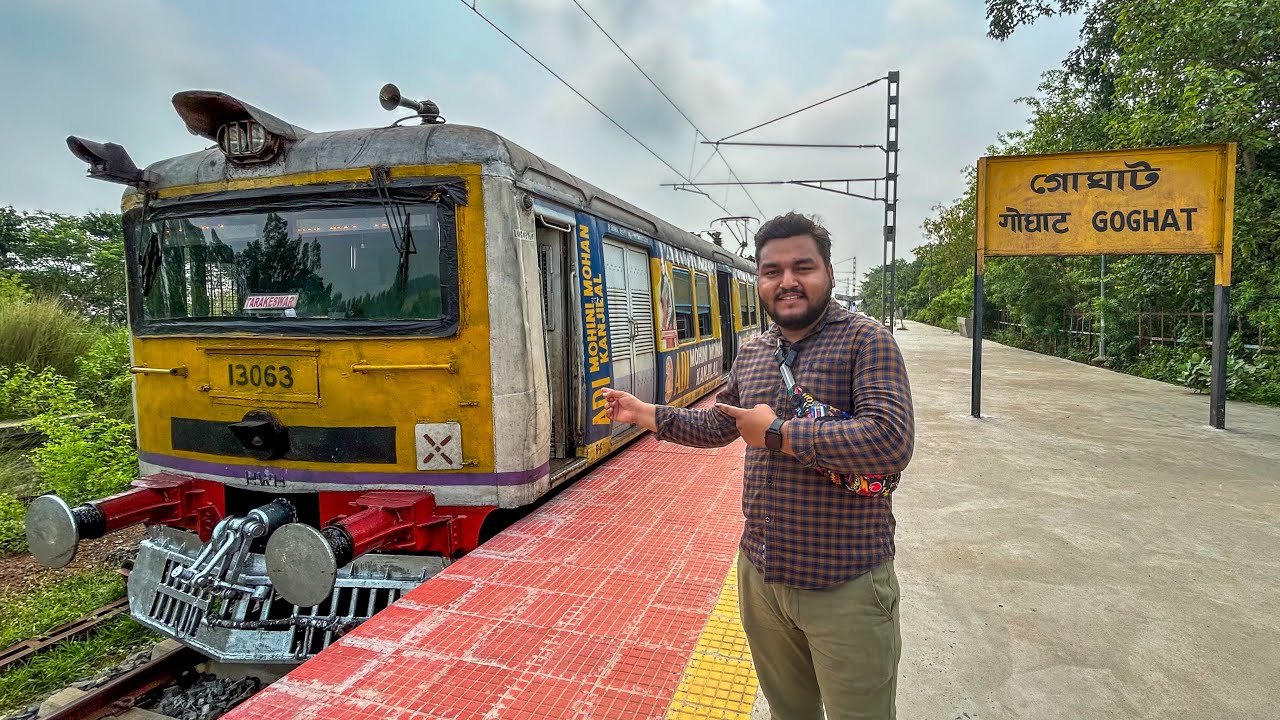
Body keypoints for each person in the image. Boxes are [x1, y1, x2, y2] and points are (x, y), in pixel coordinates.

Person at [602, 212, 914, 720]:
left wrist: (779, 434)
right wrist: (644, 413)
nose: (787, 281)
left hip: (846, 580)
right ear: (759, 280)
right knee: (788, 713)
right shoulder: (755, 351)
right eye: (772, 271)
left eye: (802, 267)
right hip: (762, 574)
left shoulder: (867, 341)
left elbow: (889, 440)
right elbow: (721, 426)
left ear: (829, 274)